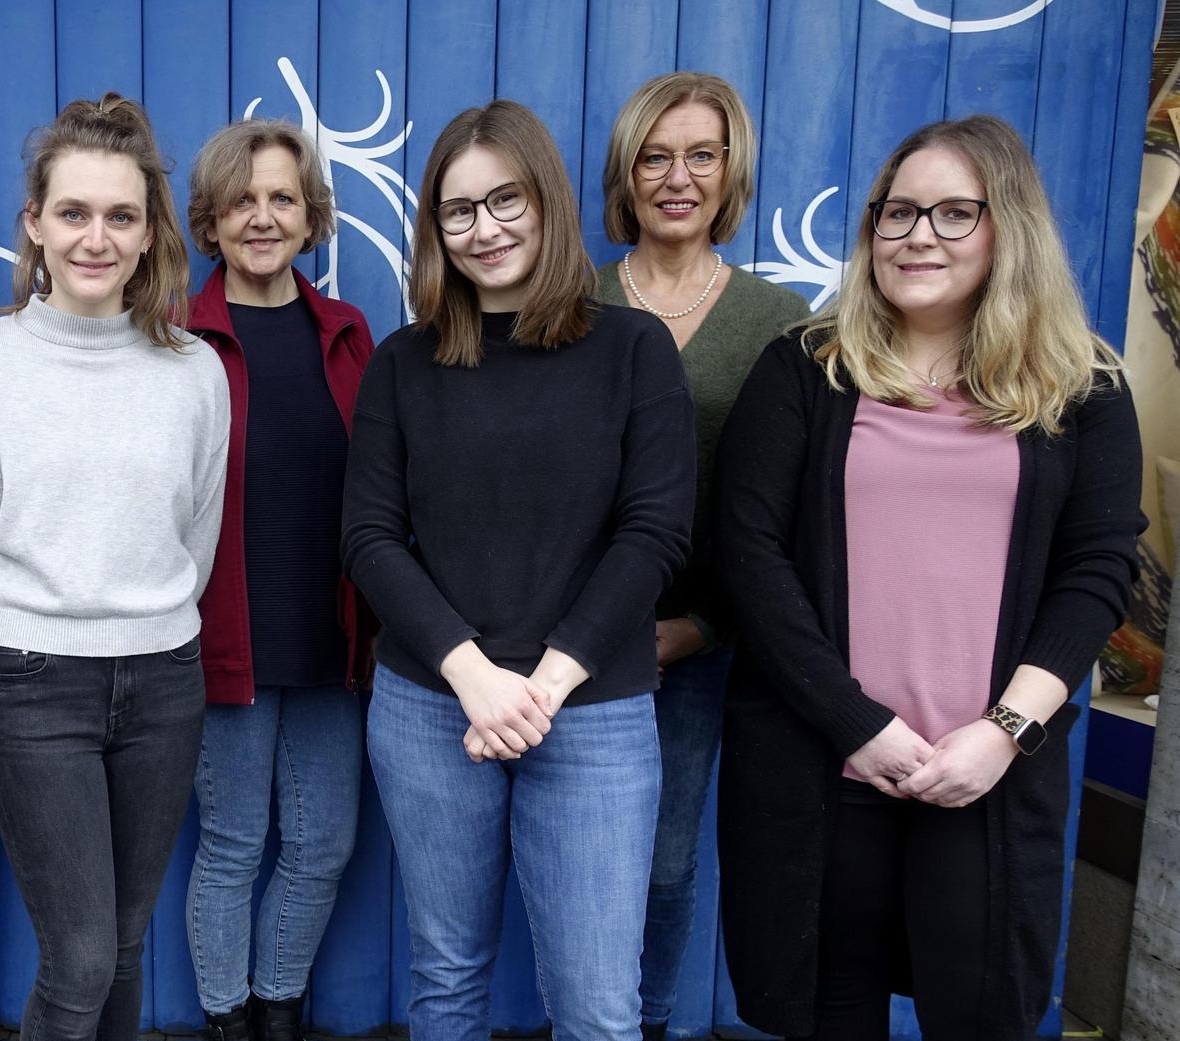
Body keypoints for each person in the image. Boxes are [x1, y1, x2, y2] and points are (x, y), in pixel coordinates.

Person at [714, 114, 1142, 1040]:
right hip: (825, 762)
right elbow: (747, 552)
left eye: (955, 213)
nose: (917, 236)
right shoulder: (805, 368)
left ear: (1008, 226)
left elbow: (1096, 570)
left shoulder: (1082, 386)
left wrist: (1003, 732)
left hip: (983, 771)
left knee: (979, 1010)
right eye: (897, 212)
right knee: (828, 1007)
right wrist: (855, 723)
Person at [340, 99, 694, 1041]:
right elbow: (369, 536)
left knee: (595, 1003)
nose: (484, 228)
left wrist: (542, 682)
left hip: (592, 709)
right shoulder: (402, 364)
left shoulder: (632, 349)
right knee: (447, 978)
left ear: (547, 201)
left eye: (505, 200)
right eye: (458, 211)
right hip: (430, 704)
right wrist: (470, 674)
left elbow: (654, 532)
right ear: (434, 228)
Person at [0, 93, 230, 1041]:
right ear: (35, 224)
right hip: (34, 684)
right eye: (73, 213)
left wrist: (146, 627)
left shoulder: (193, 370)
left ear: (148, 235)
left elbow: (197, 532)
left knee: (128, 939)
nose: (95, 237)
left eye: (120, 216)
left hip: (166, 680)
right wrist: (20, 664)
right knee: (82, 954)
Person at [592, 71, 810, 1040]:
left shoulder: (779, 325)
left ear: (731, 175)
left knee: (667, 861)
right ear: (626, 172)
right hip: (571, 642)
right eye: (656, 155)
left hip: (698, 645)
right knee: (578, 858)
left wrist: (700, 626)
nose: (677, 177)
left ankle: (645, 1021)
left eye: (702, 156)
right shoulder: (573, 301)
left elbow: (787, 511)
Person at [180, 118, 374, 1041]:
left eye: (282, 198)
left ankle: (277, 1007)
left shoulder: (345, 333)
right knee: (232, 843)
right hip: (225, 634)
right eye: (242, 199)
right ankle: (228, 1022)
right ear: (210, 222)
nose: (263, 217)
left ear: (311, 217)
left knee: (322, 843)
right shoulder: (176, 338)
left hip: (329, 628)